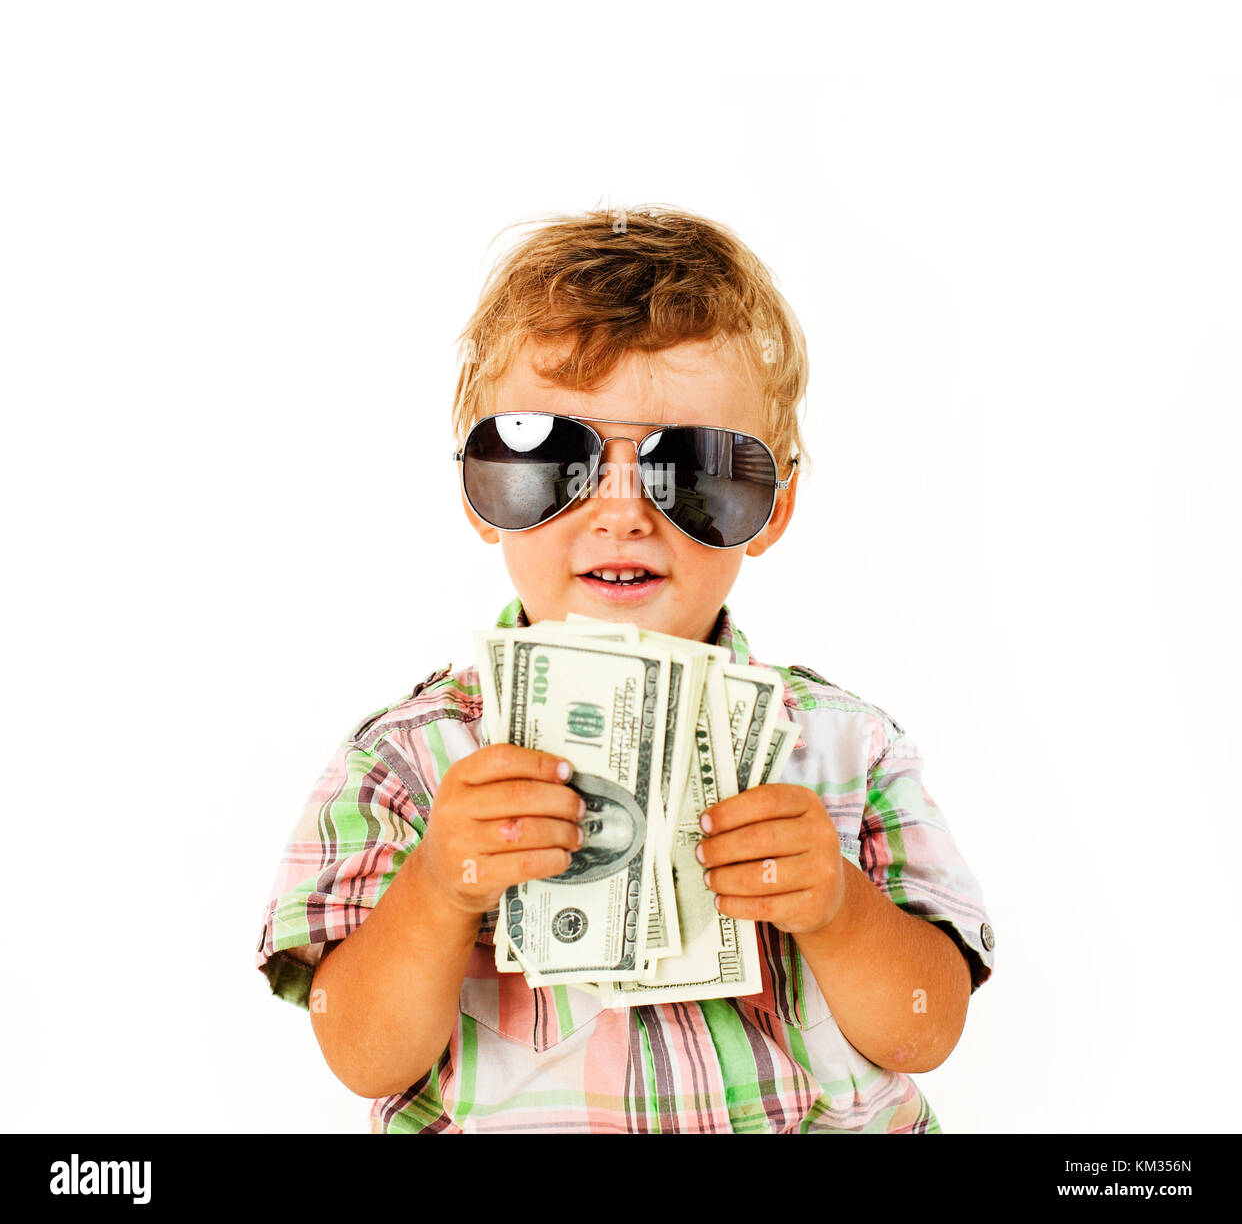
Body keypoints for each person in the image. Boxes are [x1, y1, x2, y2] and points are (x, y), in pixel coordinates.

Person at [255, 206, 995, 1133]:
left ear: (774, 505)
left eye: (691, 465)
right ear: (479, 493)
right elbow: (362, 1055)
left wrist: (840, 909)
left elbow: (926, 1032)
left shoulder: (847, 748)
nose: (621, 511)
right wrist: (440, 890)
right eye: (551, 455)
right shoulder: (408, 765)